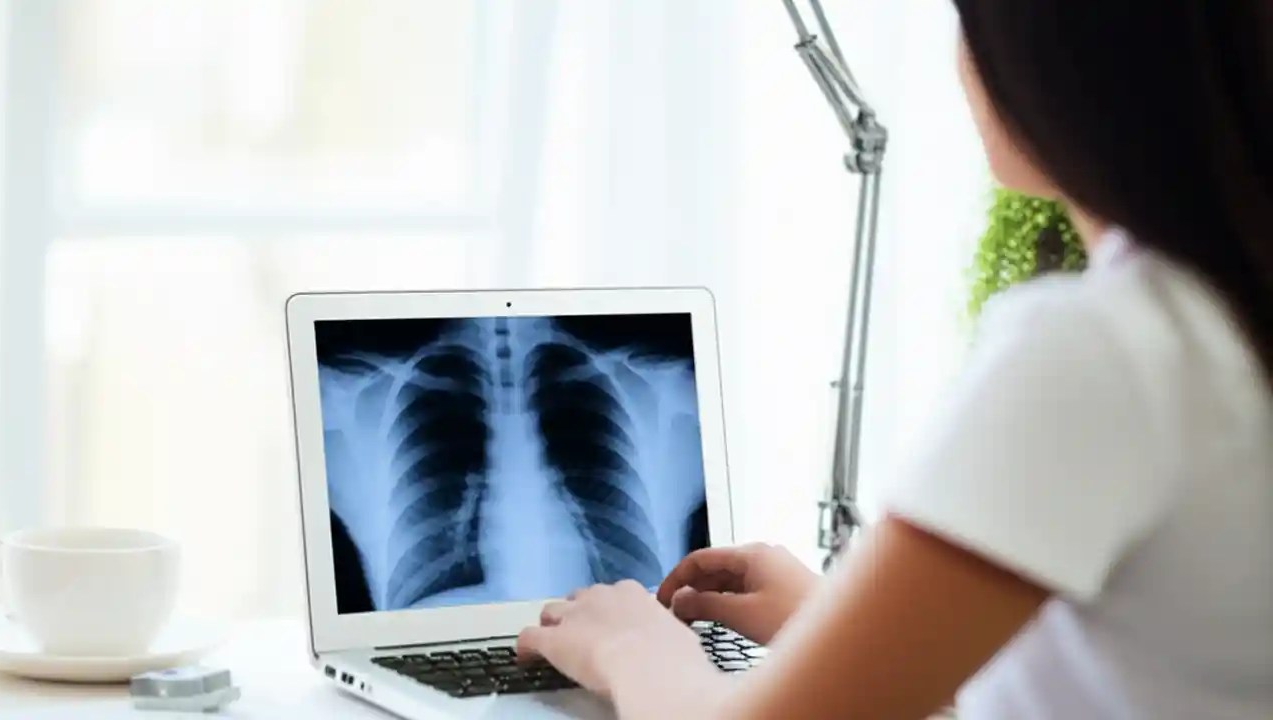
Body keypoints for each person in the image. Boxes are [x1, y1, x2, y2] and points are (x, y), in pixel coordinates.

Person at [516, 3, 1273, 718]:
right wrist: (840, 630)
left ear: (1048, 52)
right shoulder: (1223, 314)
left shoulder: (1103, 347)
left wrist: (631, 648)